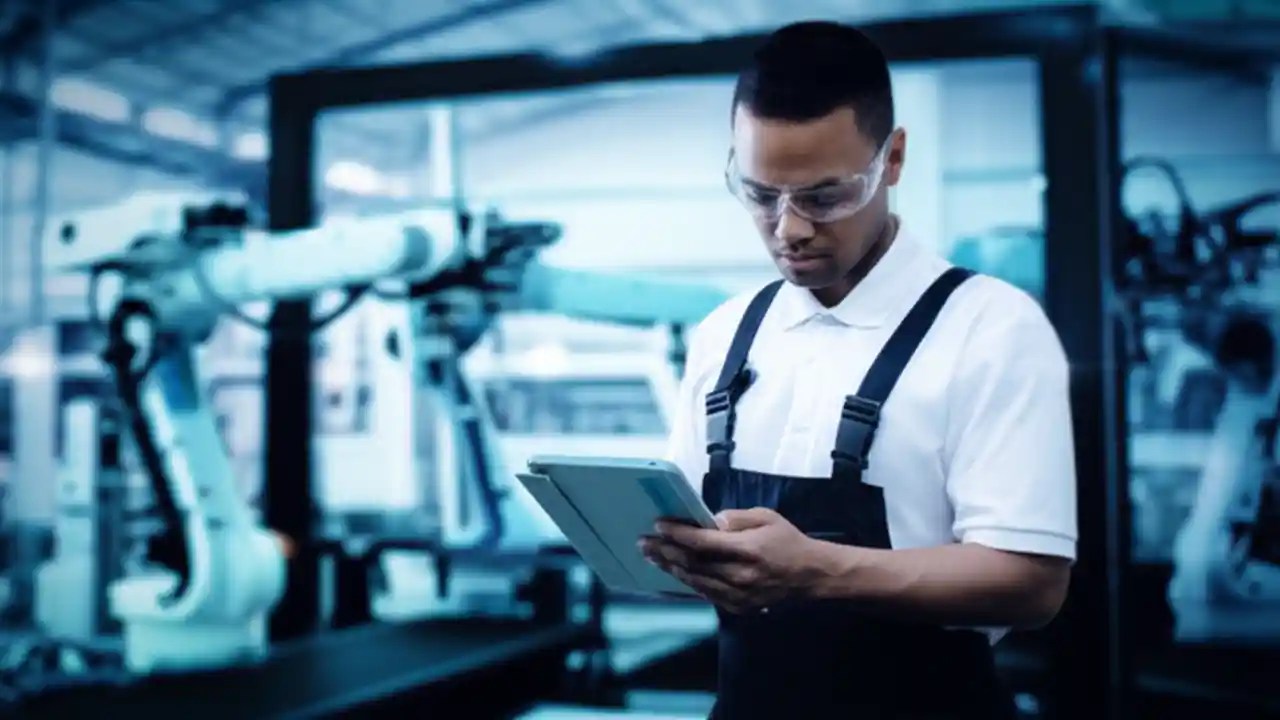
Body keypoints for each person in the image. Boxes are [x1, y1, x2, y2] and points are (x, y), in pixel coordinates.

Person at [638, 21, 1077, 720]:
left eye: (824, 197)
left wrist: (816, 570)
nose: (789, 228)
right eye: (760, 194)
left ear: (892, 159)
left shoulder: (991, 328)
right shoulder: (726, 334)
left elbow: (1031, 583)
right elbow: (692, 540)